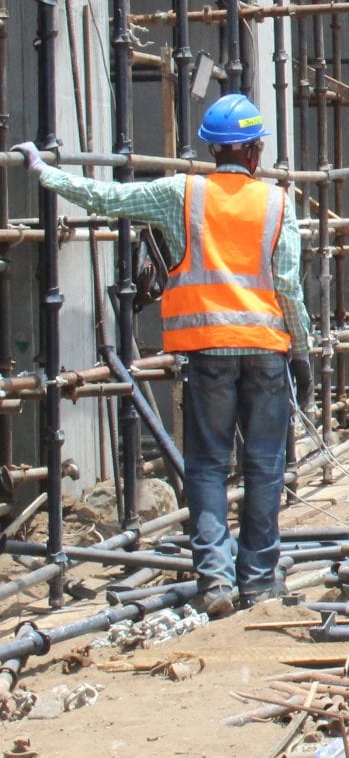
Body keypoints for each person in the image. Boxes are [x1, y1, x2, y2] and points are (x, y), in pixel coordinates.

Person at [14, 95, 311, 618]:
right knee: (265, 468)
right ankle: (260, 582)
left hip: (207, 355)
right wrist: (302, 351)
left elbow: (105, 197)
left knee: (206, 466)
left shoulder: (182, 194)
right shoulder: (278, 203)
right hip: (266, 353)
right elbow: (288, 287)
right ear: (254, 150)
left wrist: (44, 170)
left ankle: (216, 583)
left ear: (212, 148)